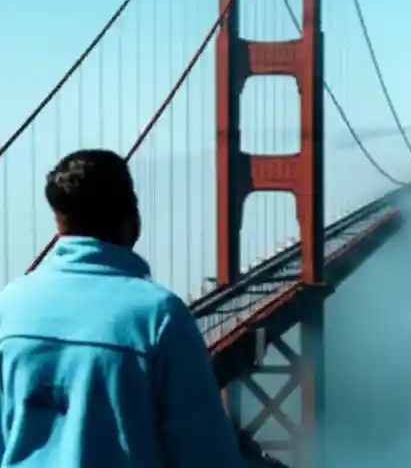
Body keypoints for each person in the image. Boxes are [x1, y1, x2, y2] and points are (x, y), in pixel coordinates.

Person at [0, 149, 244, 467]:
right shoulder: (160, 317)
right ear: (132, 216)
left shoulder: (9, 306)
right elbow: (208, 457)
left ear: (58, 221)